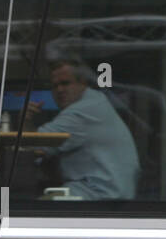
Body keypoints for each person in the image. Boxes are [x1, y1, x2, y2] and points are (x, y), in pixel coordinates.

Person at [28, 59, 140, 200]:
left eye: (65, 83)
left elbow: (34, 146)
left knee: (32, 209)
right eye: (54, 86)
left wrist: (25, 121)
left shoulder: (81, 111)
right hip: (107, 191)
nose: (59, 90)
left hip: (98, 194)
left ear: (83, 83)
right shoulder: (95, 101)